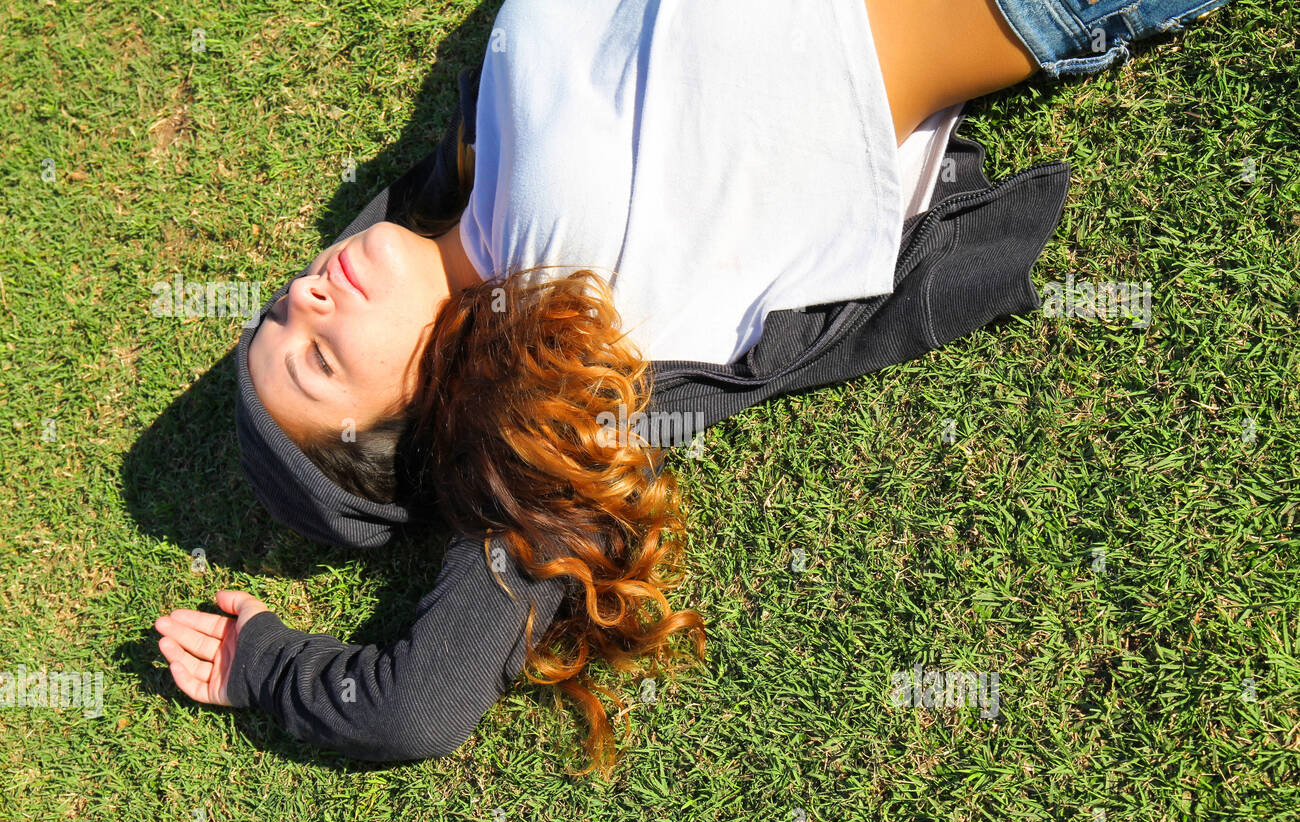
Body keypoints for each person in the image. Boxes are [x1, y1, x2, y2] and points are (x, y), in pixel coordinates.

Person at [156, 0, 1233, 774]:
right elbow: (416, 706)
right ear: (411, 419)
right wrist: (266, 664)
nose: (310, 297)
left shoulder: (473, 165)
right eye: (320, 358)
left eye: (281, 310)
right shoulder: (566, 355)